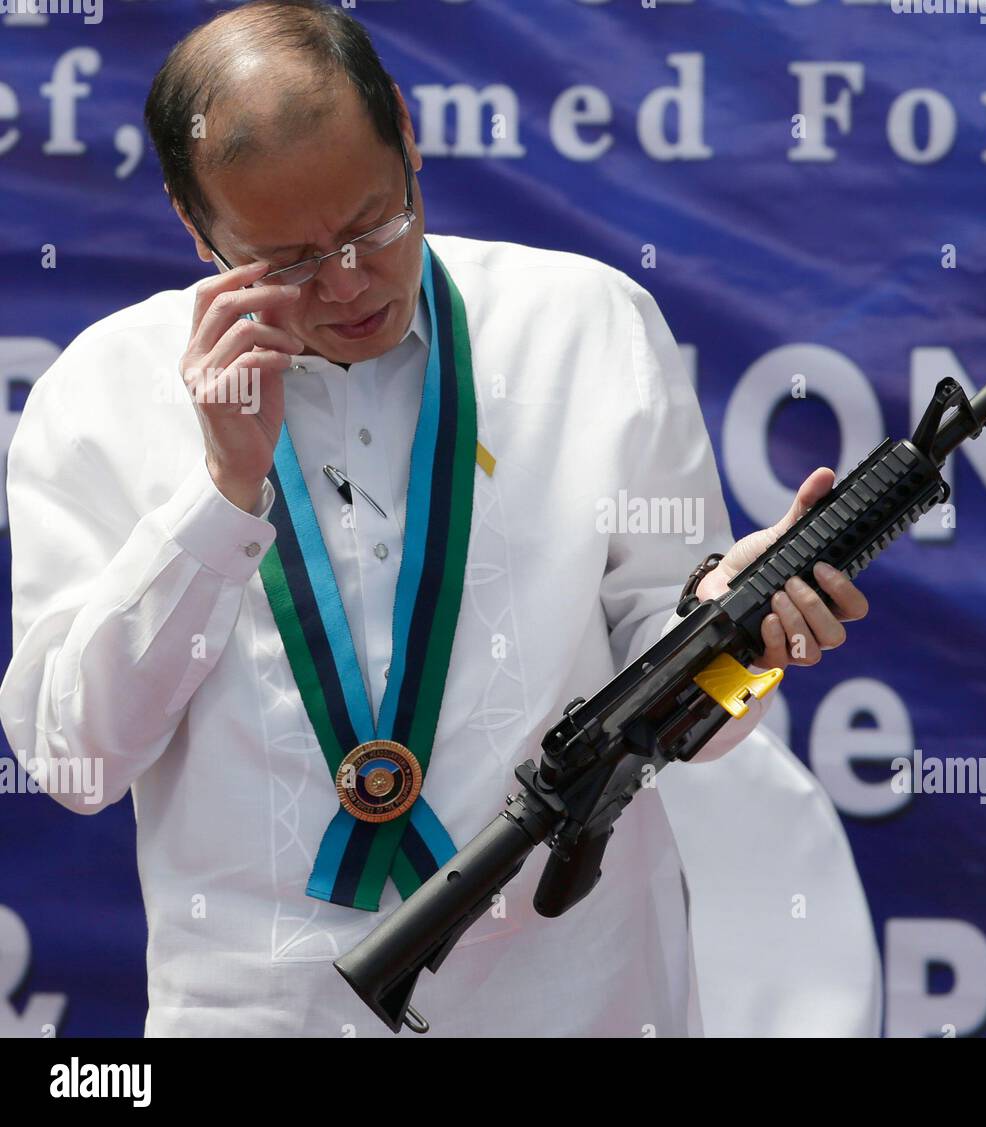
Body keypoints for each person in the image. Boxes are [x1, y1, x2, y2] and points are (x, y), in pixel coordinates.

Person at [0, 0, 872, 1036]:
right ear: (194, 226)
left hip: (574, 998)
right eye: (284, 262)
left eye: (374, 221)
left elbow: (687, 713)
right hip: (263, 1009)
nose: (350, 280)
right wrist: (220, 495)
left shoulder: (583, 326)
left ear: (408, 134)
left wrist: (740, 625)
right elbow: (78, 761)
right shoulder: (100, 393)